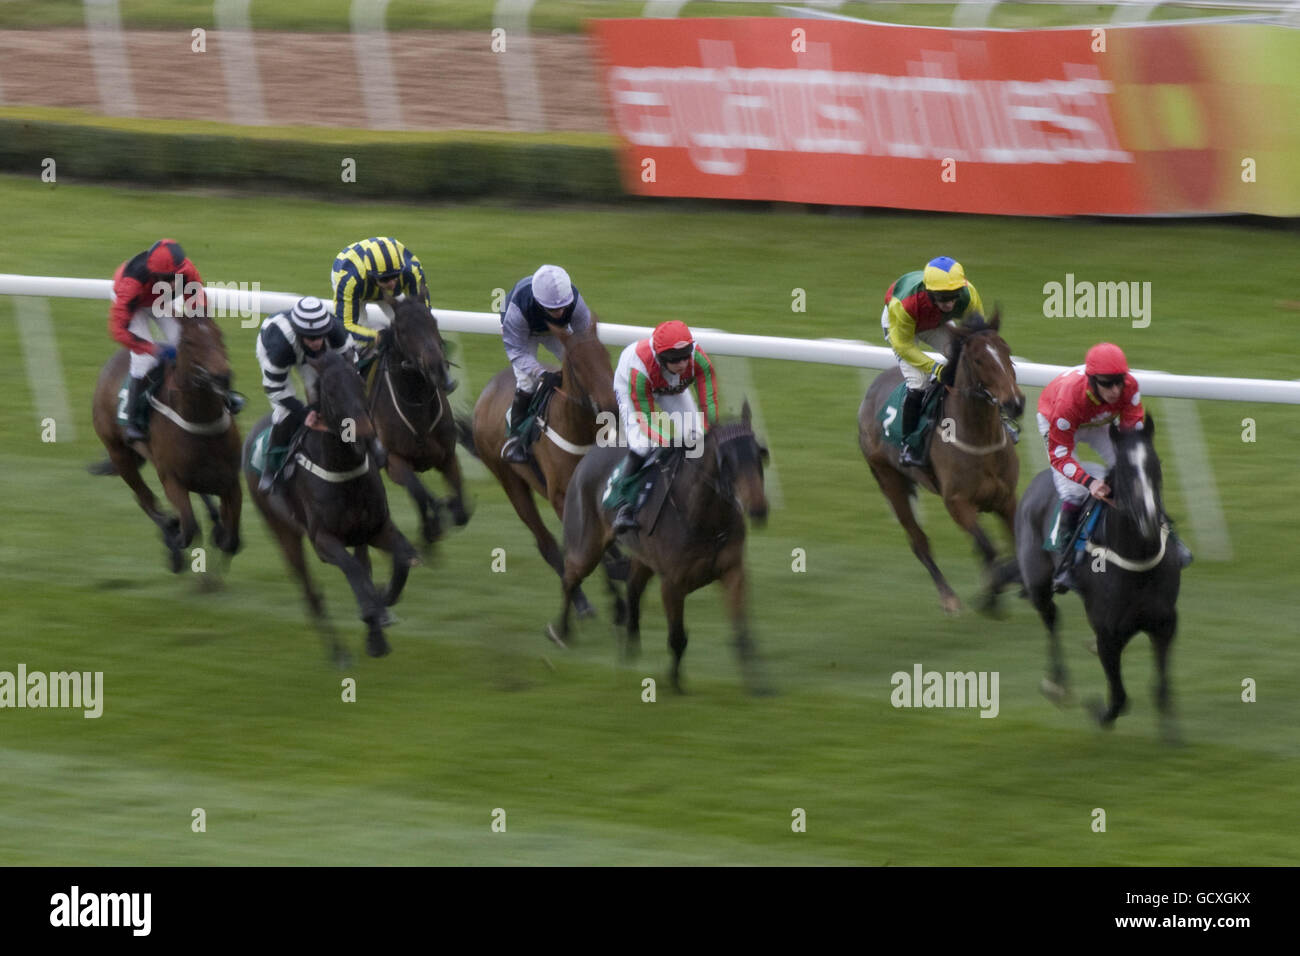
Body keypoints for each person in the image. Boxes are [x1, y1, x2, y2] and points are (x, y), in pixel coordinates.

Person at [1038, 342, 1191, 592]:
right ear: (1092, 380)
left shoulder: (1130, 387)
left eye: (1118, 381)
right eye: (1107, 383)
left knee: (1138, 474)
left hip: (1098, 421)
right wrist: (1090, 482)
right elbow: (1060, 456)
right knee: (1074, 491)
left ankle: (1170, 535)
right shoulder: (1068, 402)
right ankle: (1066, 562)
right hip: (1058, 422)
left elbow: (1134, 438)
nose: (1114, 389)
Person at [610, 320, 721, 532]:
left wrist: (711, 429)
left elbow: (709, 399)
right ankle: (624, 504)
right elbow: (646, 419)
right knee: (644, 444)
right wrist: (669, 443)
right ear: (661, 357)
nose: (681, 364)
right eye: (674, 360)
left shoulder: (698, 359)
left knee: (697, 436)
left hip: (671, 387)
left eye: (684, 357)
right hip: (632, 388)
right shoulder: (639, 367)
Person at [881, 256, 986, 467]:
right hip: (902, 327)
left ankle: (997, 418)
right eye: (942, 296)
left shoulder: (968, 294)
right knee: (919, 382)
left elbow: (979, 335)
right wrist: (935, 368)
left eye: (953, 296)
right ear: (929, 292)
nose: (948, 303)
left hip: (935, 323)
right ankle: (909, 445)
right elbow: (903, 346)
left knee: (971, 363)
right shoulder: (905, 304)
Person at [254, 296, 358, 498]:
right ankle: (271, 467)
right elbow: (275, 388)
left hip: (311, 358)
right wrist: (303, 413)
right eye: (311, 338)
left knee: (338, 400)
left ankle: (355, 444)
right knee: (286, 412)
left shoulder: (335, 331)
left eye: (320, 336)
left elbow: (351, 365)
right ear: (300, 334)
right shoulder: (280, 347)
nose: (317, 342)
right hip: (277, 351)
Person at [109, 239, 206, 440]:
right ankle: (132, 421)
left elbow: (196, 297)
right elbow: (118, 330)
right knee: (145, 360)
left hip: (155, 298)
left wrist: (198, 324)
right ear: (155, 274)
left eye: (175, 277)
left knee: (188, 342)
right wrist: (153, 349)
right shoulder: (132, 283)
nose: (173, 282)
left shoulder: (185, 269)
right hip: (132, 303)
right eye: (168, 278)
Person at [330, 236, 456, 392]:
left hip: (382, 287)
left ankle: (440, 372)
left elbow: (424, 315)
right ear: (372, 275)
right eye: (385, 279)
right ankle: (355, 384)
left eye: (395, 276)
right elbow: (346, 327)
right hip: (356, 287)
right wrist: (377, 337)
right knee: (356, 344)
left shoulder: (412, 270)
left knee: (417, 328)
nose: (391, 283)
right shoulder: (349, 280)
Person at [498, 264, 594, 463]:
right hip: (523, 334)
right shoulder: (518, 308)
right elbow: (516, 350)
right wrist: (541, 373)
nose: (559, 312)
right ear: (539, 302)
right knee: (527, 382)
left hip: (554, 331)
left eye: (562, 307)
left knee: (583, 370)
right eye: (553, 309)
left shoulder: (575, 302)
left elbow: (584, 339)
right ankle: (516, 440)